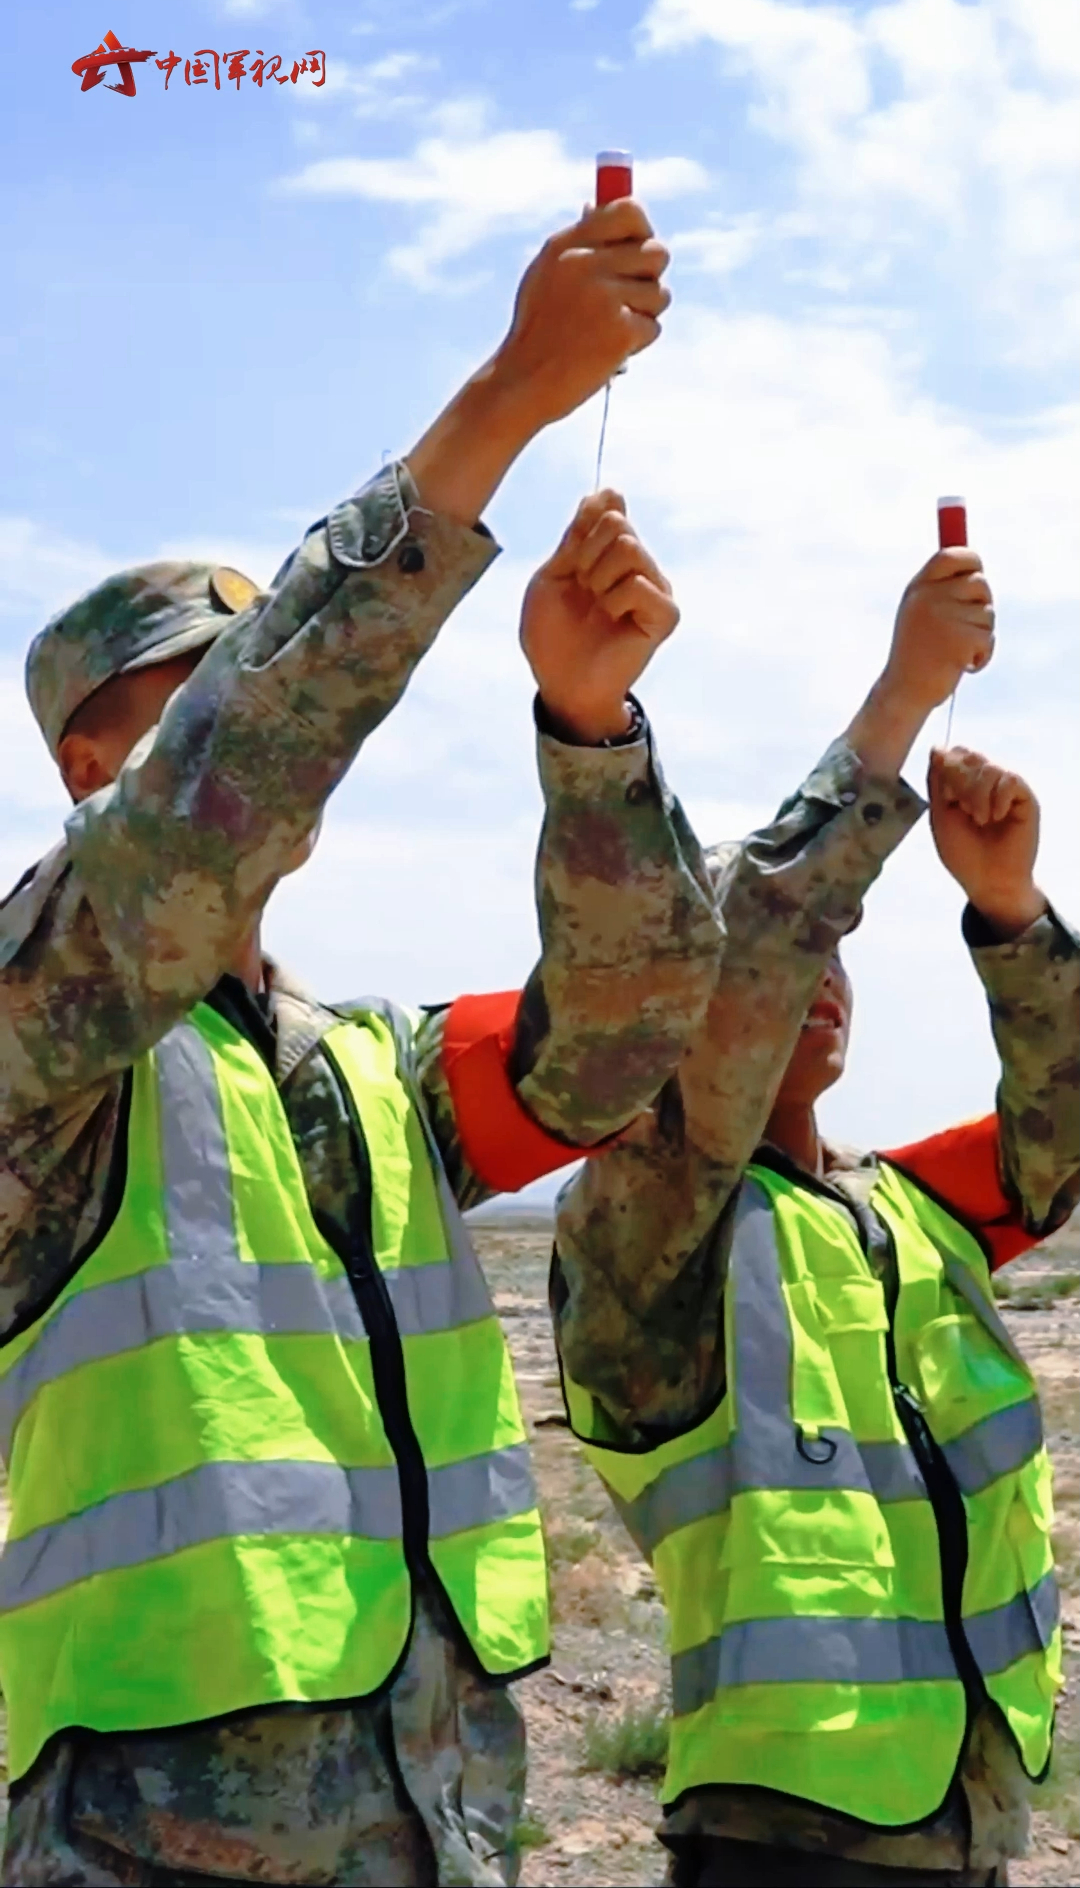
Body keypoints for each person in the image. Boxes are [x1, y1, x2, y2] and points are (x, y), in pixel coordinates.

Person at [0, 202, 726, 1888]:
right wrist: (500, 408)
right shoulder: (46, 1027)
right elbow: (209, 811)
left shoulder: (372, 1069)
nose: (265, 729)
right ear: (96, 765)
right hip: (144, 1835)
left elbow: (620, 1045)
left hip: (434, 1811)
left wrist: (590, 729)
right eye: (194, 697)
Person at [553, 540, 1079, 1887]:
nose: (821, 977)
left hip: (964, 1821)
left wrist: (1013, 912)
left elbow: (1063, 1131)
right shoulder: (657, 1230)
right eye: (796, 960)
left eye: (841, 959)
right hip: (780, 1840)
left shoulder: (904, 1210)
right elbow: (750, 952)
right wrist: (901, 702)